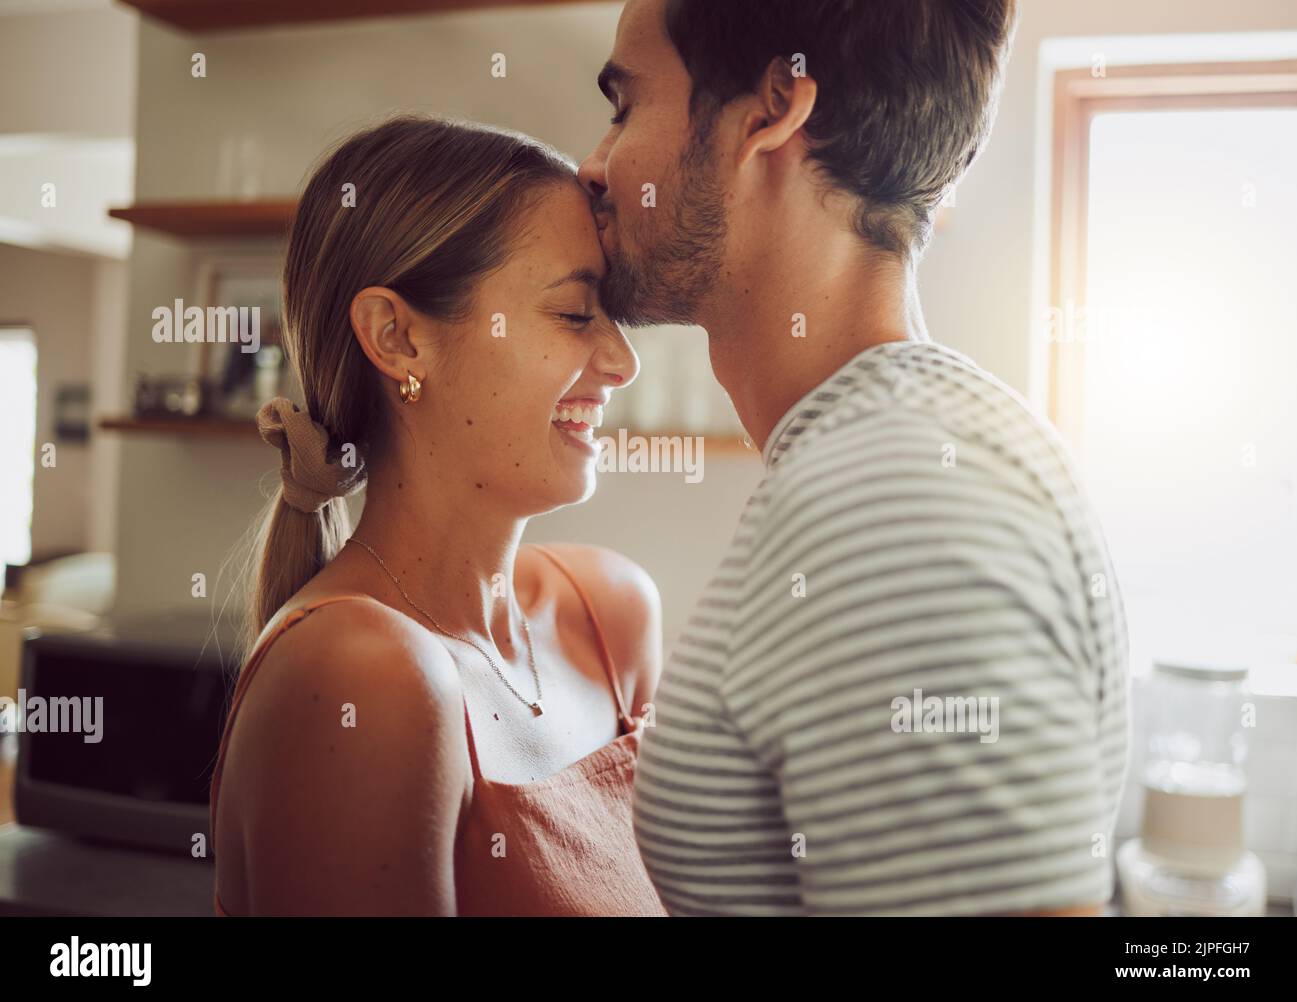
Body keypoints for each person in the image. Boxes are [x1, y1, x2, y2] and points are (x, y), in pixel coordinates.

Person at [580, 0, 1130, 915]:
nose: (595, 165)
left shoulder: (898, 500)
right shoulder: (910, 448)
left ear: (771, 111)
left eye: (625, 107)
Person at [210, 114, 667, 916]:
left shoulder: (611, 616)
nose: (621, 360)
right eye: (572, 314)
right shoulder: (363, 674)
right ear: (398, 338)